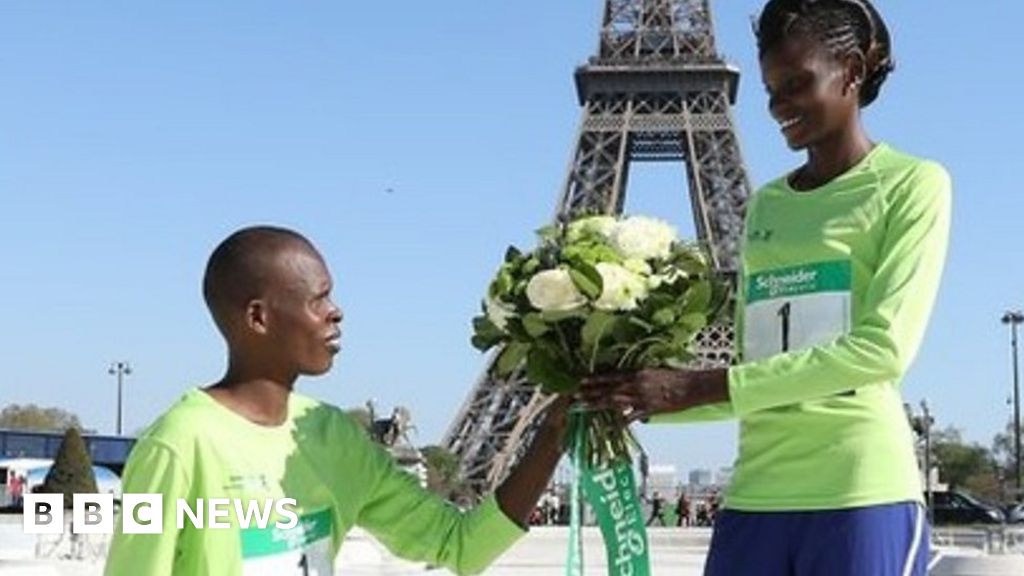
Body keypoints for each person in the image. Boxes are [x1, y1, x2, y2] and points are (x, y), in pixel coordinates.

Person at [583, 1, 950, 574]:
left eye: (796, 83)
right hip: (757, 494)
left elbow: (882, 350)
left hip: (858, 492)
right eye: (771, 88)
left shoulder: (912, 184)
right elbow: (754, 366)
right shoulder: (765, 207)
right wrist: (636, 397)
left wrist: (691, 387)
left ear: (852, 71)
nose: (778, 104)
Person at [105, 226, 569, 576]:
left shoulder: (335, 440)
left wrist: (551, 437)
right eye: (318, 299)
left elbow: (461, 544)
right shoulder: (179, 446)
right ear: (259, 317)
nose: (337, 311)